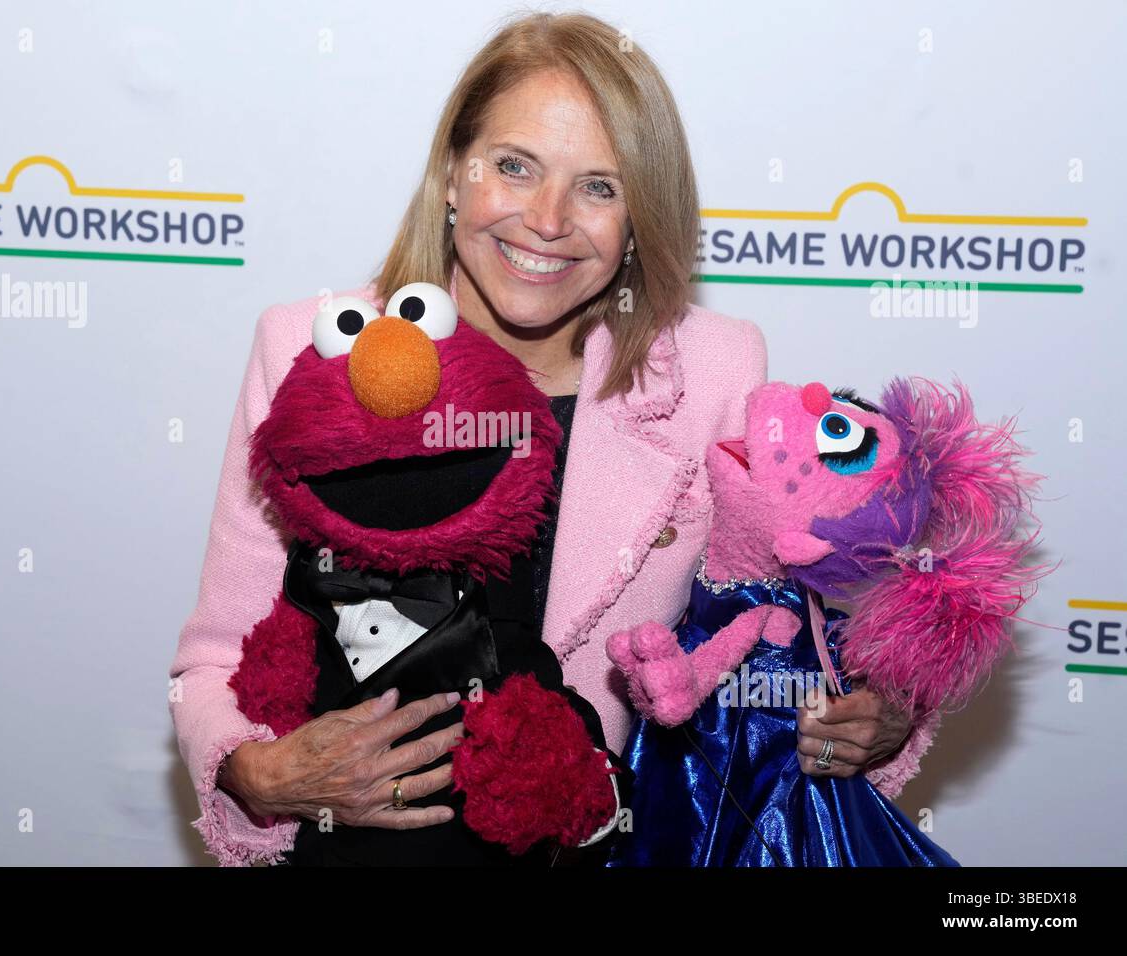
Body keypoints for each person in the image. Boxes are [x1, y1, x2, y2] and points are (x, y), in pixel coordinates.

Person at [169, 11, 935, 867]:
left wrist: (874, 710)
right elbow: (217, 659)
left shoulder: (719, 370)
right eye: (514, 167)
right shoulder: (311, 350)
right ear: (454, 173)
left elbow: (793, 617)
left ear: (640, 218)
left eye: (599, 187)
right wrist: (263, 775)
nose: (547, 219)